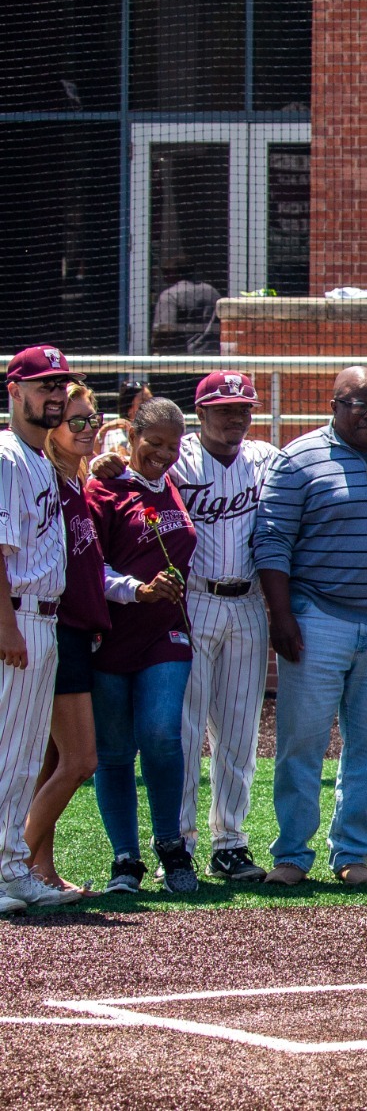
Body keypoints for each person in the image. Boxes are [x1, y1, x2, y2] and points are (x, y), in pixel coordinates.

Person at [253, 366, 367, 886]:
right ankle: (292, 856)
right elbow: (272, 540)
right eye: (357, 404)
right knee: (302, 742)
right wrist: (281, 616)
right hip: (318, 618)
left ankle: (352, 854)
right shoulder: (298, 458)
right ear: (333, 406)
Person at [87, 397, 199, 894]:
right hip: (110, 634)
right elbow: (89, 567)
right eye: (153, 443)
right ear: (131, 437)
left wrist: (156, 598)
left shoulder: (172, 483)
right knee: (113, 752)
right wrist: (137, 590)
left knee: (160, 733)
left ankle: (171, 848)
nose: (163, 454)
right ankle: (125, 861)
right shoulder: (103, 490)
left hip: (165, 633)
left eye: (173, 446)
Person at [173, 371, 280, 882]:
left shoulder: (264, 458)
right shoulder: (178, 458)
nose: (235, 417)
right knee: (186, 728)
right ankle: (179, 841)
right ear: (201, 413)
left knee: (238, 730)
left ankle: (230, 841)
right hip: (194, 600)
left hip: (248, 603)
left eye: (242, 408)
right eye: (223, 408)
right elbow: (129, 471)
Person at [0, 347, 79, 912]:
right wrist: (6, 626)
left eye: (60, 385)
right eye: (42, 385)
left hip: (42, 616)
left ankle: (10, 867)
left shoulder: (37, 457)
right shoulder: (7, 456)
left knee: (26, 756)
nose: (53, 394)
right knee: (9, 753)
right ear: (14, 390)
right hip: (19, 615)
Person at [23, 383, 104, 899]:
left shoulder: (77, 481)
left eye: (91, 420)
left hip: (74, 628)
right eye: (75, 421)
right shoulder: (44, 478)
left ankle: (41, 869)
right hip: (52, 626)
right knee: (80, 761)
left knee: (53, 762)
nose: (87, 429)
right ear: (51, 428)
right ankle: (12, 860)